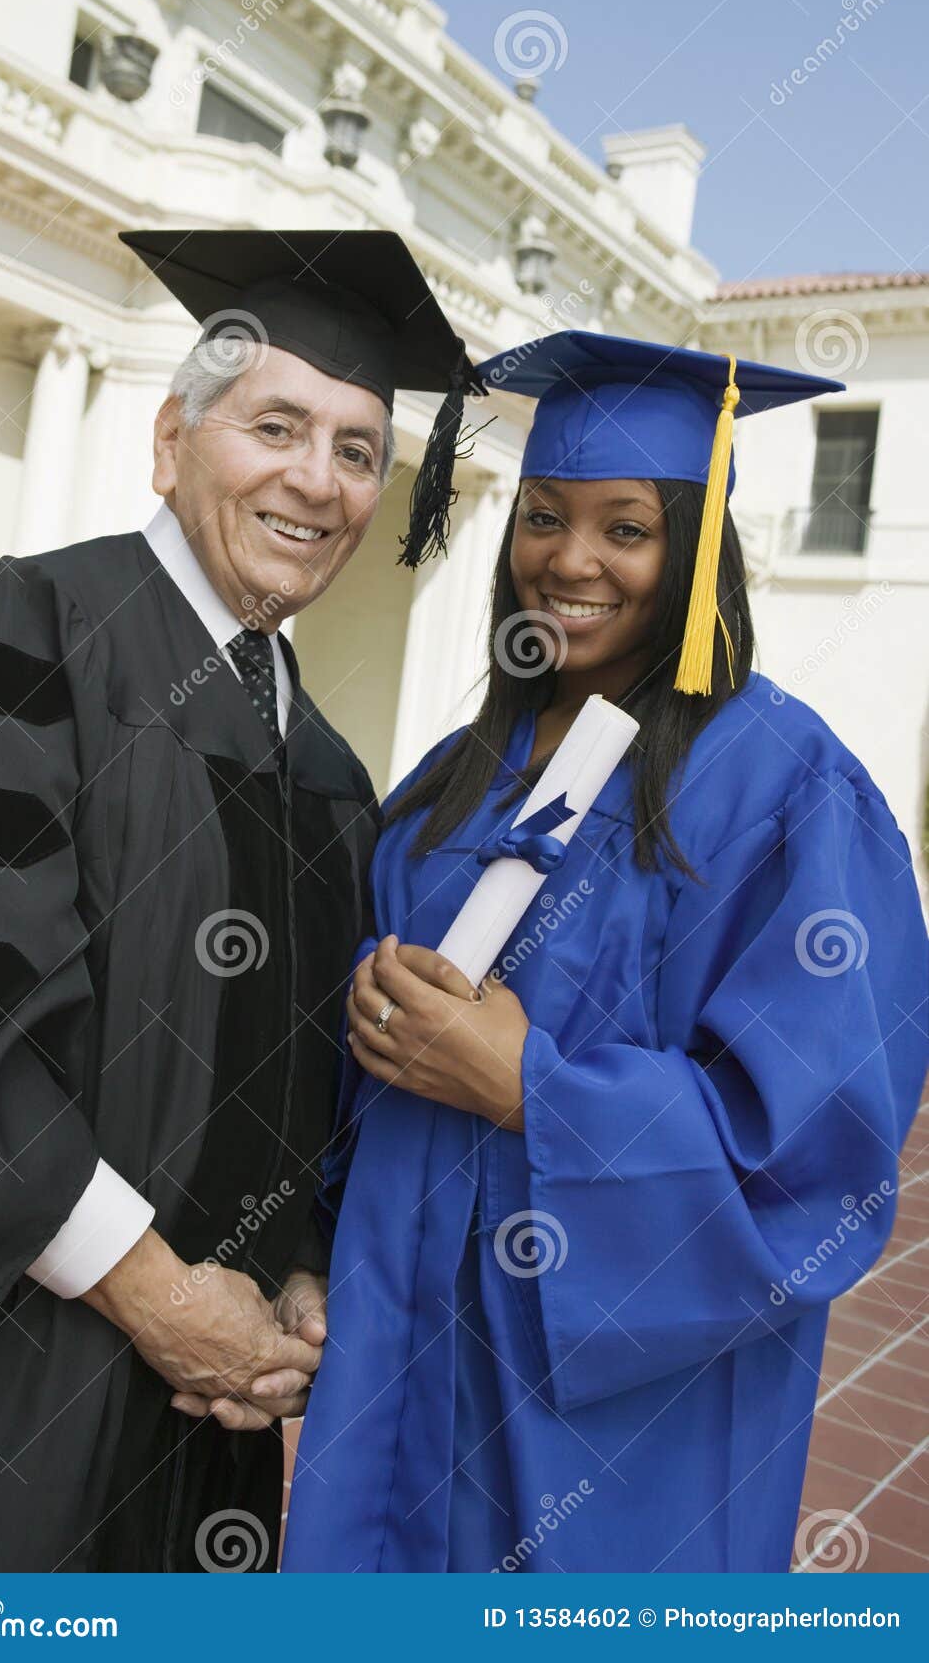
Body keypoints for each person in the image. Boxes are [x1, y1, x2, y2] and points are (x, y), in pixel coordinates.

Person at [0, 227, 480, 1572]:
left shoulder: (329, 771)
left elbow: (297, 1072)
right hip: (0, 1384)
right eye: (276, 426)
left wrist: (299, 1264)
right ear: (170, 437)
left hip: (211, 1408)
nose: (317, 478)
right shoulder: (14, 641)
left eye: (358, 449)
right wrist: (159, 1294)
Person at [282, 330, 929, 1573]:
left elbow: (821, 1149)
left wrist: (537, 1087)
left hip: (614, 1426)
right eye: (542, 517)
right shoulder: (448, 784)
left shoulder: (785, 787)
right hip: (403, 1370)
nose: (569, 561)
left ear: (693, 552)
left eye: (625, 528)